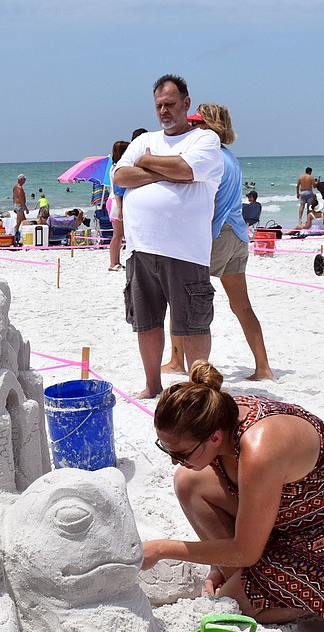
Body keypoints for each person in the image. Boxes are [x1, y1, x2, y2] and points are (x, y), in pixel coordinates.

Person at [141, 360, 324, 631]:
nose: (174, 460)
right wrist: (218, 566)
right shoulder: (217, 412)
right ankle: (244, 577)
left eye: (180, 453)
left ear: (215, 438)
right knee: (189, 482)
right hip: (299, 514)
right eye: (166, 450)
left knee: (236, 604)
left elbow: (245, 551)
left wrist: (162, 549)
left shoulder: (258, 448)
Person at [112, 74, 223, 399]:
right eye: (159, 105)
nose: (164, 110)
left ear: (186, 104)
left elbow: (189, 170)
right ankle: (152, 384)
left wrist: (145, 162)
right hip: (140, 247)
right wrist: (168, 169)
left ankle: (198, 391)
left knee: (192, 323)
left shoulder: (205, 140)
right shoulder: (144, 138)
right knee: (145, 321)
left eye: (170, 104)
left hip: (186, 251)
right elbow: (119, 175)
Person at [166, 105, 273, 381]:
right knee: (242, 306)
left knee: (182, 296)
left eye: (196, 124)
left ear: (206, 126)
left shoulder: (210, 156)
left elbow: (209, 203)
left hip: (217, 235)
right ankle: (263, 367)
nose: (190, 128)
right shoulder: (230, 157)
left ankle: (178, 361)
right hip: (237, 234)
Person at [108, 140, 130, 271]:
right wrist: (120, 207)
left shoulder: (114, 166)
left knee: (119, 234)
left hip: (115, 201)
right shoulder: (117, 168)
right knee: (118, 234)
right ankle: (113, 262)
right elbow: (117, 188)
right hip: (116, 201)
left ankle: (115, 261)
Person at [12, 174, 27, 238]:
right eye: (24, 179)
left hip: (17, 205)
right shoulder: (19, 188)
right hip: (20, 205)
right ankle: (15, 234)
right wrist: (26, 208)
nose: (25, 181)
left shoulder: (15, 187)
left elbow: (14, 197)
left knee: (24, 221)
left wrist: (14, 205)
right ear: (21, 180)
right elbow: (21, 198)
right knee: (18, 222)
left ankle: (25, 232)